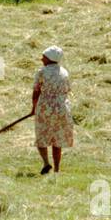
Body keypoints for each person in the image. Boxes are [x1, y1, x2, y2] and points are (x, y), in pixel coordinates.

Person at [31, 46, 74, 174]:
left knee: (42, 136)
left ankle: (46, 163)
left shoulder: (42, 72)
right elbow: (67, 89)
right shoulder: (65, 72)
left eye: (43, 57)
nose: (41, 59)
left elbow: (36, 91)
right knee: (57, 139)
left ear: (49, 59)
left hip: (45, 108)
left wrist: (34, 108)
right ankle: (56, 169)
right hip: (62, 109)